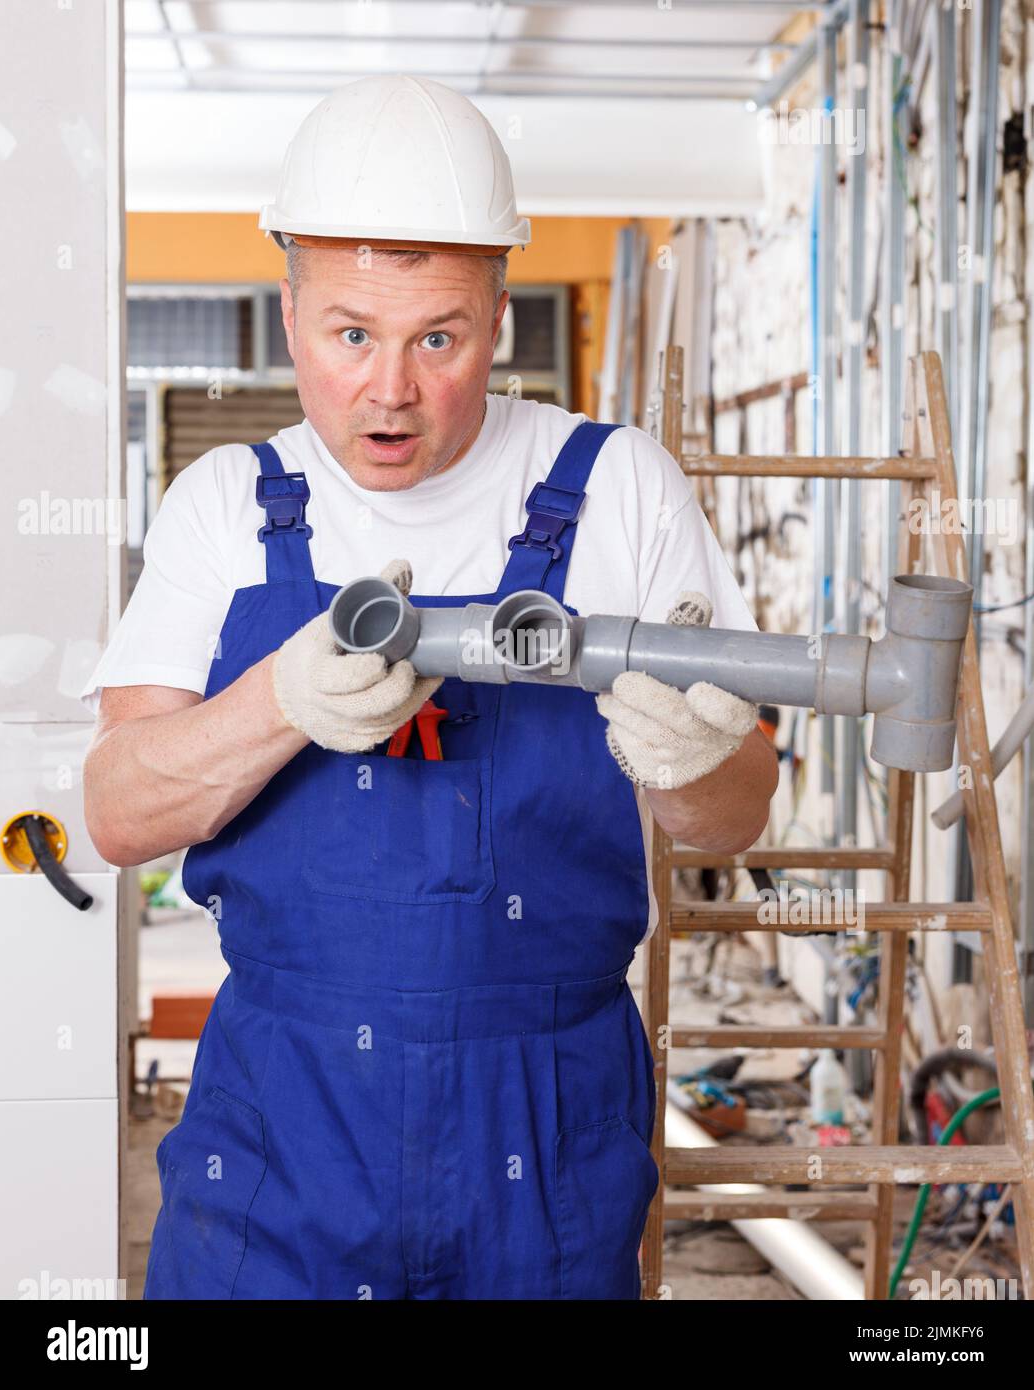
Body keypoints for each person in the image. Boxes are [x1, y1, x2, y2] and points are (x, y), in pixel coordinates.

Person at [82, 74, 777, 1300]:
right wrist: (279, 701)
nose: (389, 388)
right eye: (350, 333)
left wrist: (692, 763)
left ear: (498, 317)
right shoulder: (226, 509)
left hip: (545, 1123)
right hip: (283, 1124)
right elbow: (118, 808)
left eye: (437, 338)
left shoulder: (616, 488)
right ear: (289, 312)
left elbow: (735, 814)